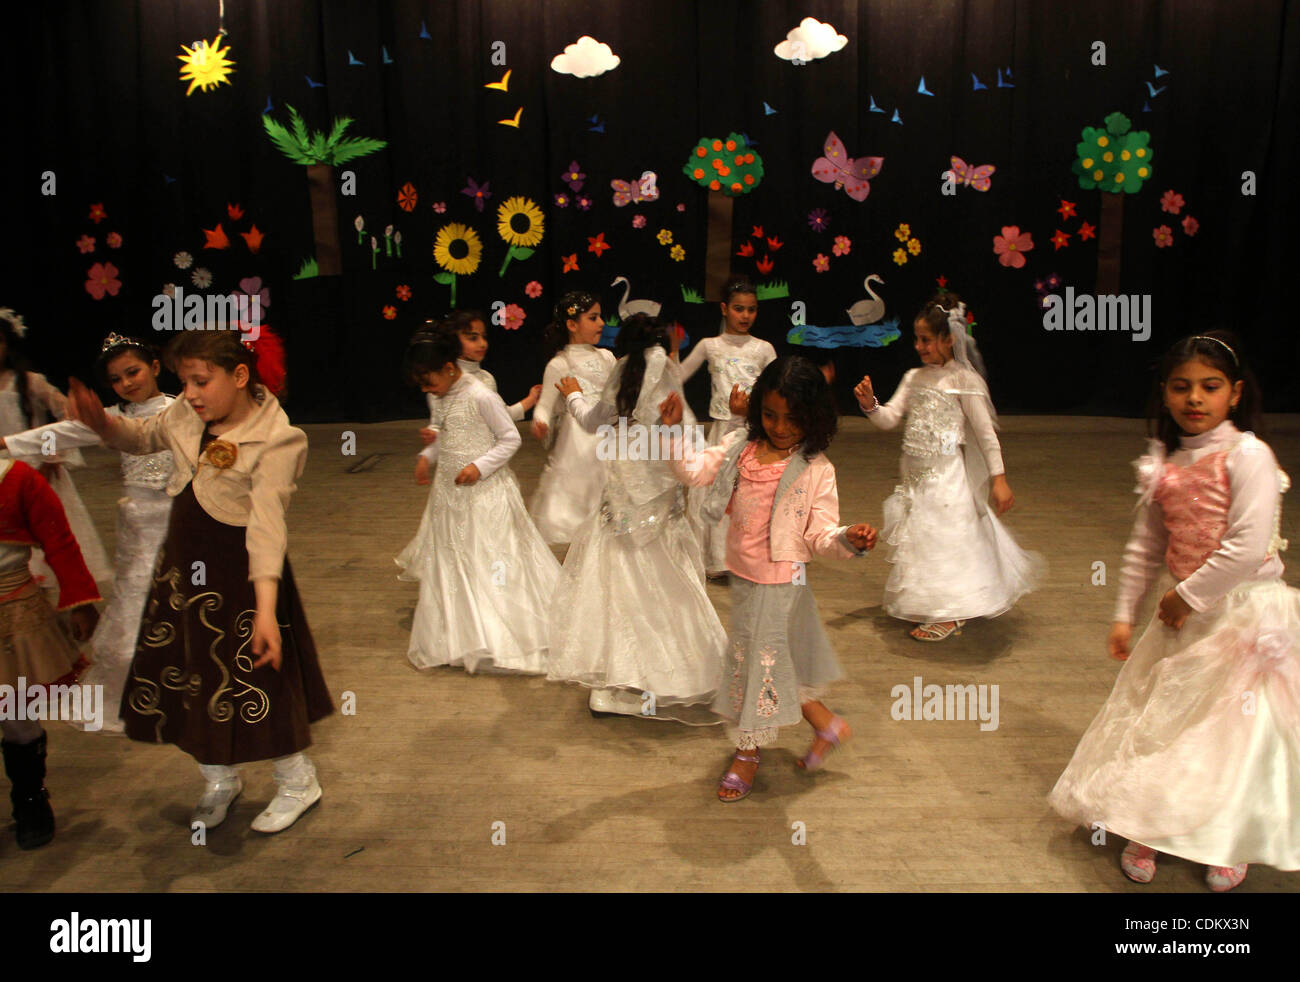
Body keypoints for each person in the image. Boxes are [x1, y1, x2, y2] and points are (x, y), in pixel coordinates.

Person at [1050, 331, 1300, 891]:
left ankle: (1226, 834)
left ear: (1234, 394)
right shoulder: (1165, 463)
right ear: (1164, 393)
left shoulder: (1249, 455)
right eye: (1181, 387)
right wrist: (1124, 613)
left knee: (1231, 734)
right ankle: (1152, 824)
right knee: (1168, 725)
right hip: (1181, 616)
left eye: (1210, 387)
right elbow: (1145, 545)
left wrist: (1184, 598)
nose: (1195, 399)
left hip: (1242, 615)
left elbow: (1248, 543)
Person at [65, 328, 332, 834]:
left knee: (259, 680)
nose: (189, 392)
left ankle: (298, 781)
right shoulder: (188, 413)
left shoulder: (277, 438)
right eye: (184, 380)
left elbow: (268, 526)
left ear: (239, 375)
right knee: (190, 676)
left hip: (244, 577)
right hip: (183, 572)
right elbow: (143, 438)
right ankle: (218, 777)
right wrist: (101, 422)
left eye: (201, 381)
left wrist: (266, 609)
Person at [665, 356, 875, 801]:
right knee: (776, 659)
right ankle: (827, 724)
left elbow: (819, 535)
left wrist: (848, 537)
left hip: (781, 582)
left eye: (793, 418)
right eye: (770, 414)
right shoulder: (740, 444)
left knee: (752, 669)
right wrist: (671, 433)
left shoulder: (816, 470)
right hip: (745, 575)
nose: (780, 427)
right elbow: (692, 471)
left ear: (814, 417)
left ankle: (747, 752)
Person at [547, 314, 727, 721]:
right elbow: (680, 435)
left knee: (621, 584)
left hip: (623, 495)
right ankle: (657, 674)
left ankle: (616, 681)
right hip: (656, 494)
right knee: (662, 583)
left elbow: (595, 422)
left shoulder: (623, 371)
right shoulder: (664, 371)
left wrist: (573, 395)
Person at [1, 334, 174, 732]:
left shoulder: (182, 410)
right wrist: (6, 442)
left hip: (180, 518)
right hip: (138, 522)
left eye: (133, 372)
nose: (127, 383)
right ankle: (147, 689)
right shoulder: (108, 418)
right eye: (116, 379)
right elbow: (60, 433)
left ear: (155, 366)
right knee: (136, 604)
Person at [854, 295, 1042, 640]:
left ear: (948, 339)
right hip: (915, 476)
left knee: (945, 539)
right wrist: (870, 405)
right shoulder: (914, 378)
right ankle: (935, 603)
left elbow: (986, 437)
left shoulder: (963, 381)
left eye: (926, 339)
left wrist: (999, 480)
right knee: (923, 541)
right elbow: (889, 419)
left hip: (946, 476)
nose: (919, 346)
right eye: (917, 339)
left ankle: (951, 612)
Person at [398, 329, 559, 674]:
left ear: (448, 368)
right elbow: (446, 437)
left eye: (429, 382)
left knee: (490, 558)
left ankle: (499, 635)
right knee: (455, 561)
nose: (427, 390)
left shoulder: (480, 394)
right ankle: (458, 637)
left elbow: (509, 437)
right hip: (450, 494)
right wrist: (428, 454)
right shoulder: (441, 397)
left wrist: (479, 466)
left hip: (484, 492)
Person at [676, 278, 776, 580]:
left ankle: (751, 557)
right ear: (724, 309)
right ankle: (721, 559)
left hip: (755, 433)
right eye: (738, 309)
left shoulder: (763, 349)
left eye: (751, 309)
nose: (745, 316)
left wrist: (754, 410)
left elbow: (777, 388)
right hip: (722, 432)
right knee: (720, 494)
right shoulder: (710, 346)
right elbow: (678, 375)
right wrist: (664, 360)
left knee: (753, 494)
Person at [528, 292, 616, 546]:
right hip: (577, 443)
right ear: (572, 324)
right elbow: (545, 404)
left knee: (606, 494)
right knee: (578, 500)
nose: (601, 323)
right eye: (593, 318)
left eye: (600, 317)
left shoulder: (606, 357)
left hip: (607, 434)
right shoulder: (559, 363)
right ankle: (577, 557)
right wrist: (540, 421)